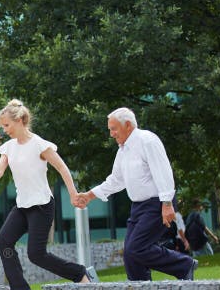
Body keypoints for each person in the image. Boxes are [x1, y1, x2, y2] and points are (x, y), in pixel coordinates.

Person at [0, 99, 94, 290]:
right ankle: (19, 288)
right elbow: (0, 169)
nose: (4, 130)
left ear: (19, 120)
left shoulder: (39, 144)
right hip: (22, 206)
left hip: (42, 206)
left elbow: (62, 168)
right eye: (2, 126)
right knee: (4, 241)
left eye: (6, 125)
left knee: (36, 254)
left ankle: (79, 273)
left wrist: (72, 194)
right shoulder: (9, 147)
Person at [75, 107, 198, 280]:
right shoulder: (122, 150)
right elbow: (116, 180)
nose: (111, 134)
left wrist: (167, 203)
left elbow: (163, 171)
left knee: (136, 248)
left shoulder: (147, 140)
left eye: (113, 129)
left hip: (157, 203)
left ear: (127, 125)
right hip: (138, 207)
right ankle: (140, 289)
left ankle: (184, 265)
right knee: (130, 253)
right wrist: (89, 195)